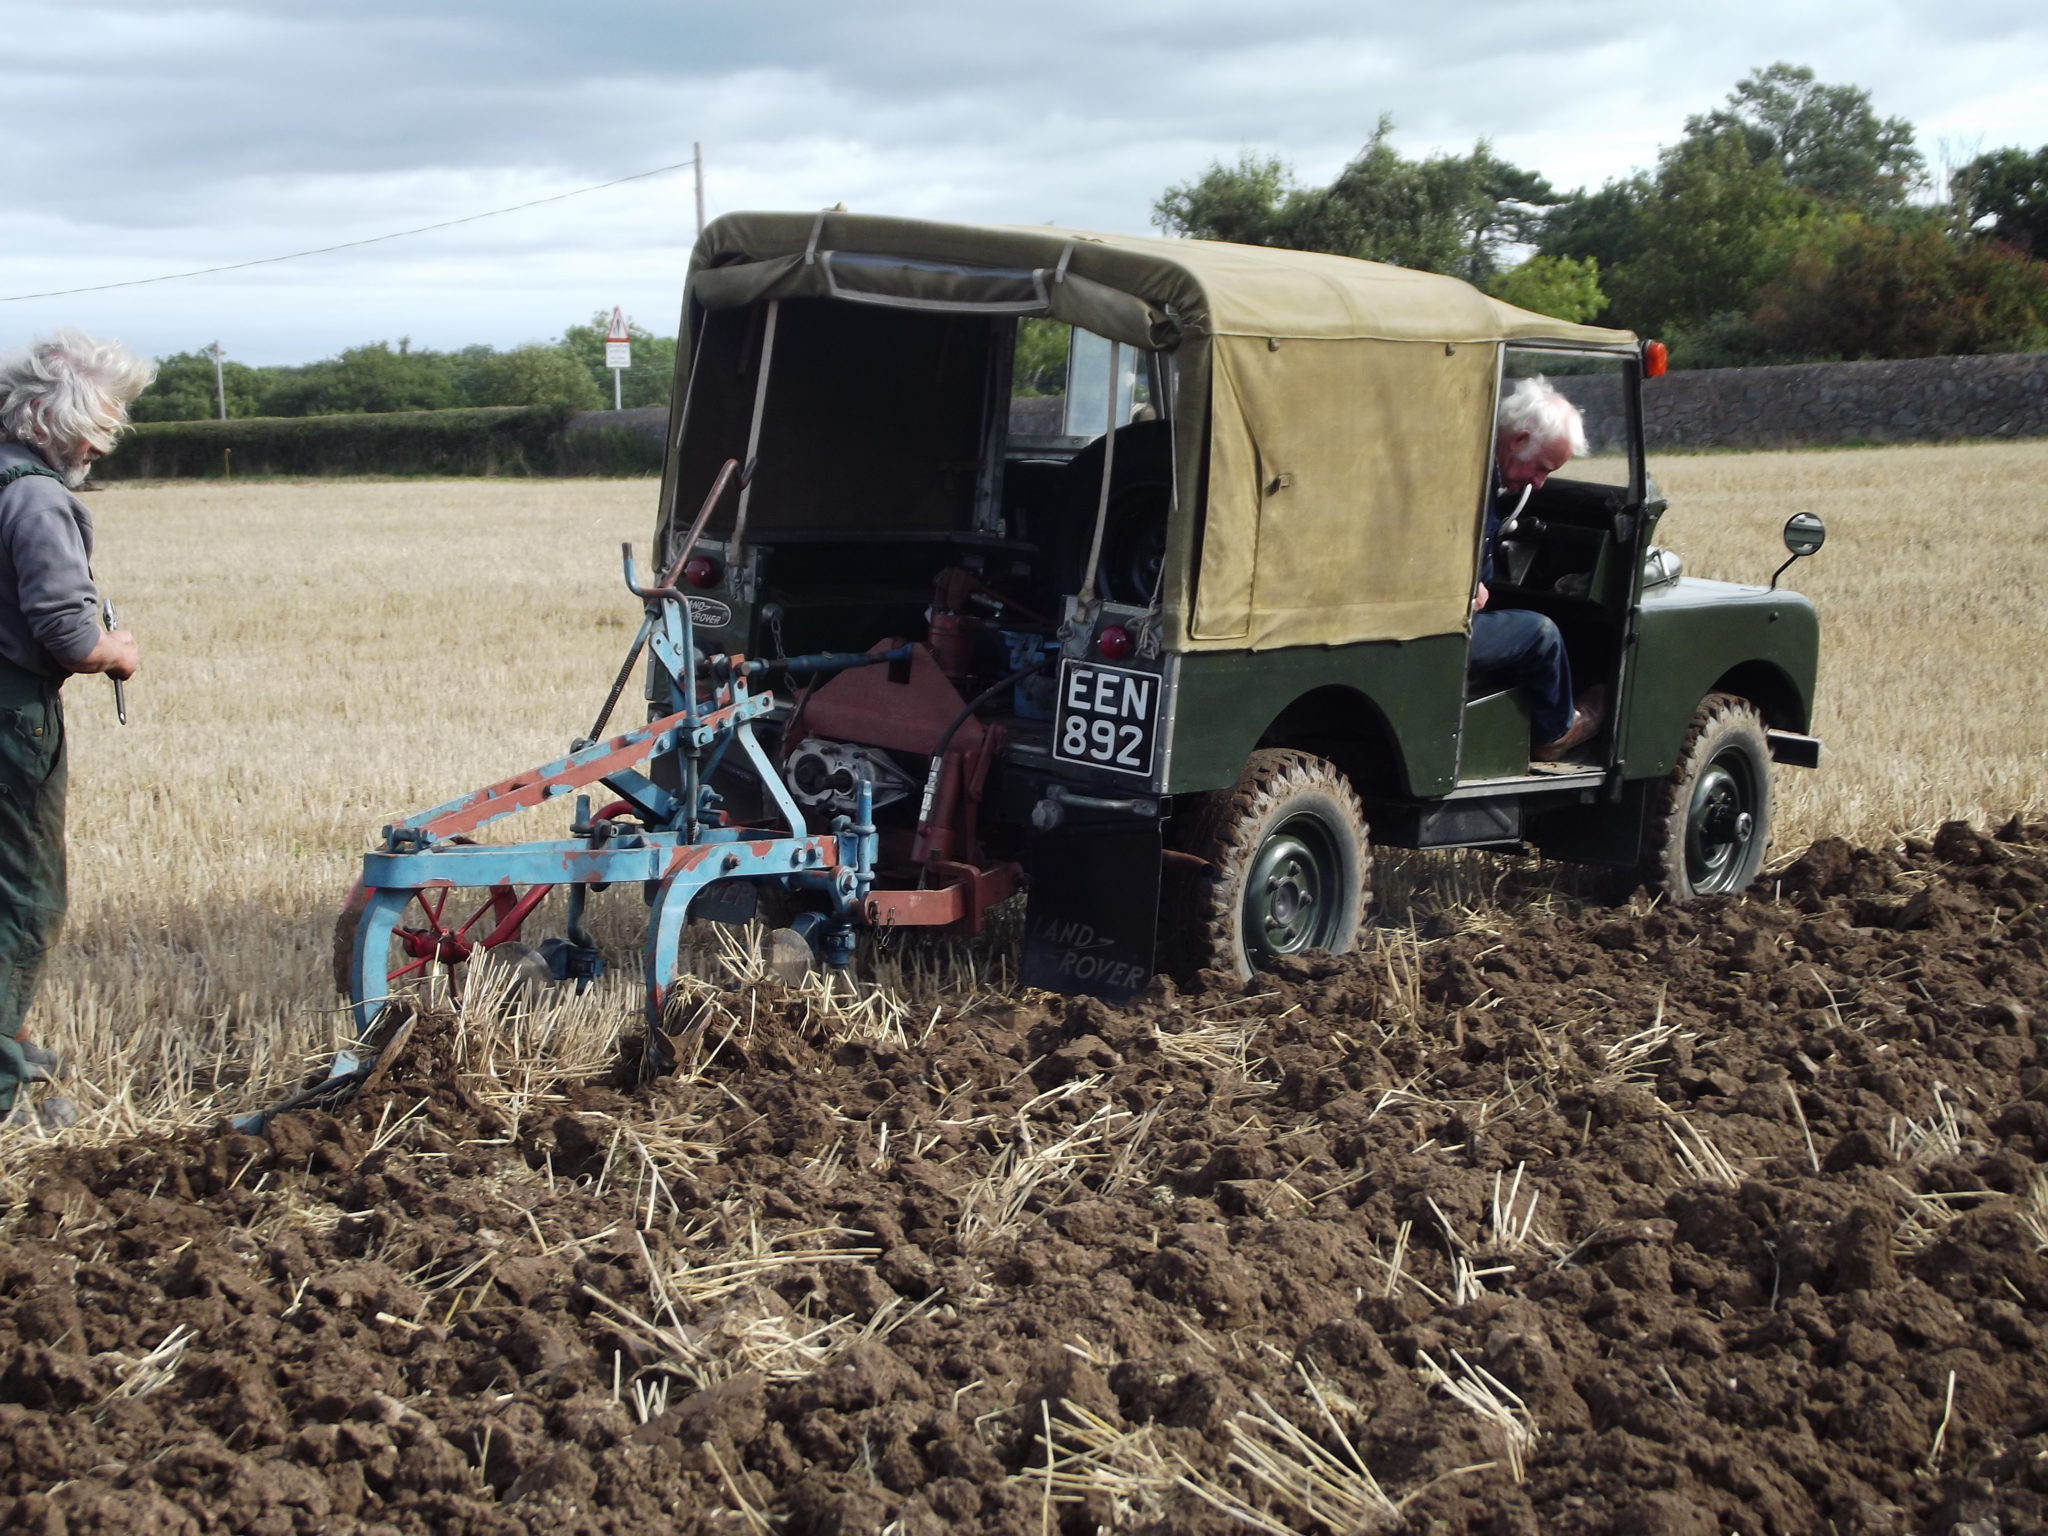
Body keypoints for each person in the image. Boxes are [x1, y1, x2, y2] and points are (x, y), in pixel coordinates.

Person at [0, 329, 154, 1129]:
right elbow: (68, 635)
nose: (100, 442)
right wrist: (115, 650)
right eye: (94, 422)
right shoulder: (34, 496)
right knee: (25, 894)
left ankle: (12, 1036)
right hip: (11, 714)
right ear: (44, 418)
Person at [1469, 376, 1604, 762]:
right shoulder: (1475, 483)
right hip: (1443, 628)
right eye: (1542, 468)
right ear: (1517, 440)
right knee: (1541, 634)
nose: (1540, 484)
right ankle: (1556, 732)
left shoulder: (1468, 463)